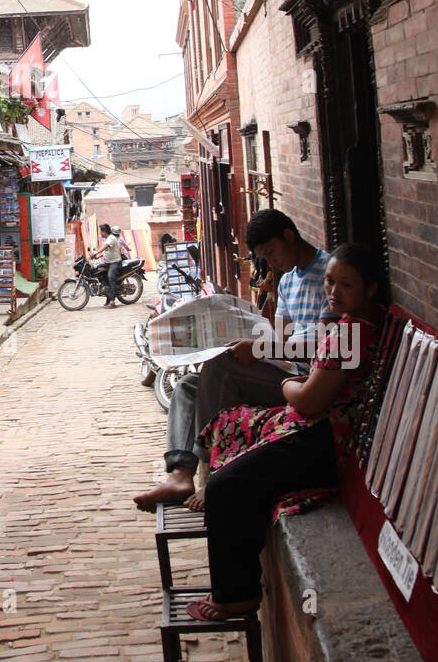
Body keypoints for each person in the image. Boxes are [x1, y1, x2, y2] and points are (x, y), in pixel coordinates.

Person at [186, 244, 385, 621]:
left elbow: (309, 400)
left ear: (371, 289)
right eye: (330, 282)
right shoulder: (357, 323)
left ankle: (236, 593)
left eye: (347, 285)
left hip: (321, 440)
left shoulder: (353, 333)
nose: (334, 293)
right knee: (232, 421)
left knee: (227, 485)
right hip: (315, 428)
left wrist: (287, 386)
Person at [133, 209, 330, 513]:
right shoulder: (288, 281)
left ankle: (215, 474)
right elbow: (280, 335)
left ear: (289, 236)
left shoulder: (330, 275)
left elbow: (328, 345)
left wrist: (262, 350)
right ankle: (181, 474)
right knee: (187, 386)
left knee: (220, 370)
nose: (272, 262)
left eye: (272, 252)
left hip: (305, 378)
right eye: (265, 256)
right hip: (282, 368)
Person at [94, 222, 122, 308]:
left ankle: (112, 301)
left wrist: (95, 253)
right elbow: (108, 250)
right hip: (108, 262)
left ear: (104, 232)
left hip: (114, 262)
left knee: (111, 279)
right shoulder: (108, 238)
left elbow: (105, 247)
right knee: (104, 280)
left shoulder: (111, 238)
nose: (100, 233)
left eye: (101, 232)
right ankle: (108, 298)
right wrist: (98, 256)